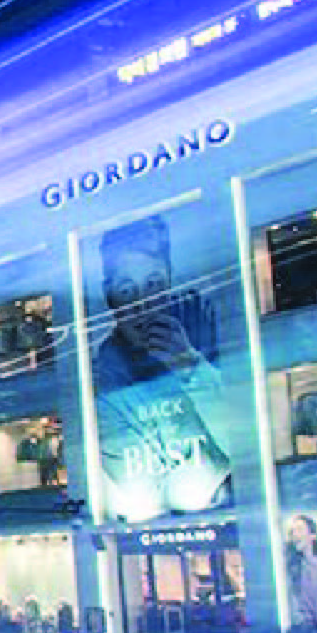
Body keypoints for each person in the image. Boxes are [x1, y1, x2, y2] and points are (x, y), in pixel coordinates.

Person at [91, 218, 232, 522]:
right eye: (128, 290)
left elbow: (246, 441)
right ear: (110, 297)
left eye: (153, 284)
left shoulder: (206, 328)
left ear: (168, 279)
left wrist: (188, 364)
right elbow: (151, 493)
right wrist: (218, 457)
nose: (143, 304)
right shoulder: (105, 376)